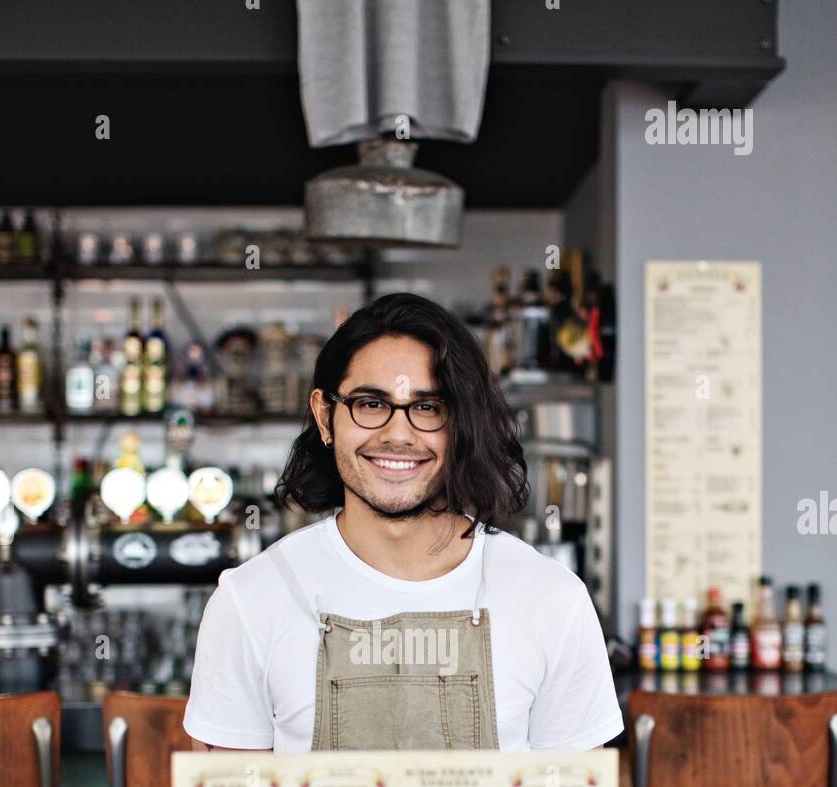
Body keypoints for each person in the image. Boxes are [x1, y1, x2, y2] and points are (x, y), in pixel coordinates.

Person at [184, 292, 622, 753]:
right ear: (325, 416)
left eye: (428, 407)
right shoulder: (251, 600)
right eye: (371, 404)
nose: (397, 434)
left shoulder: (552, 599)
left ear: (462, 426)